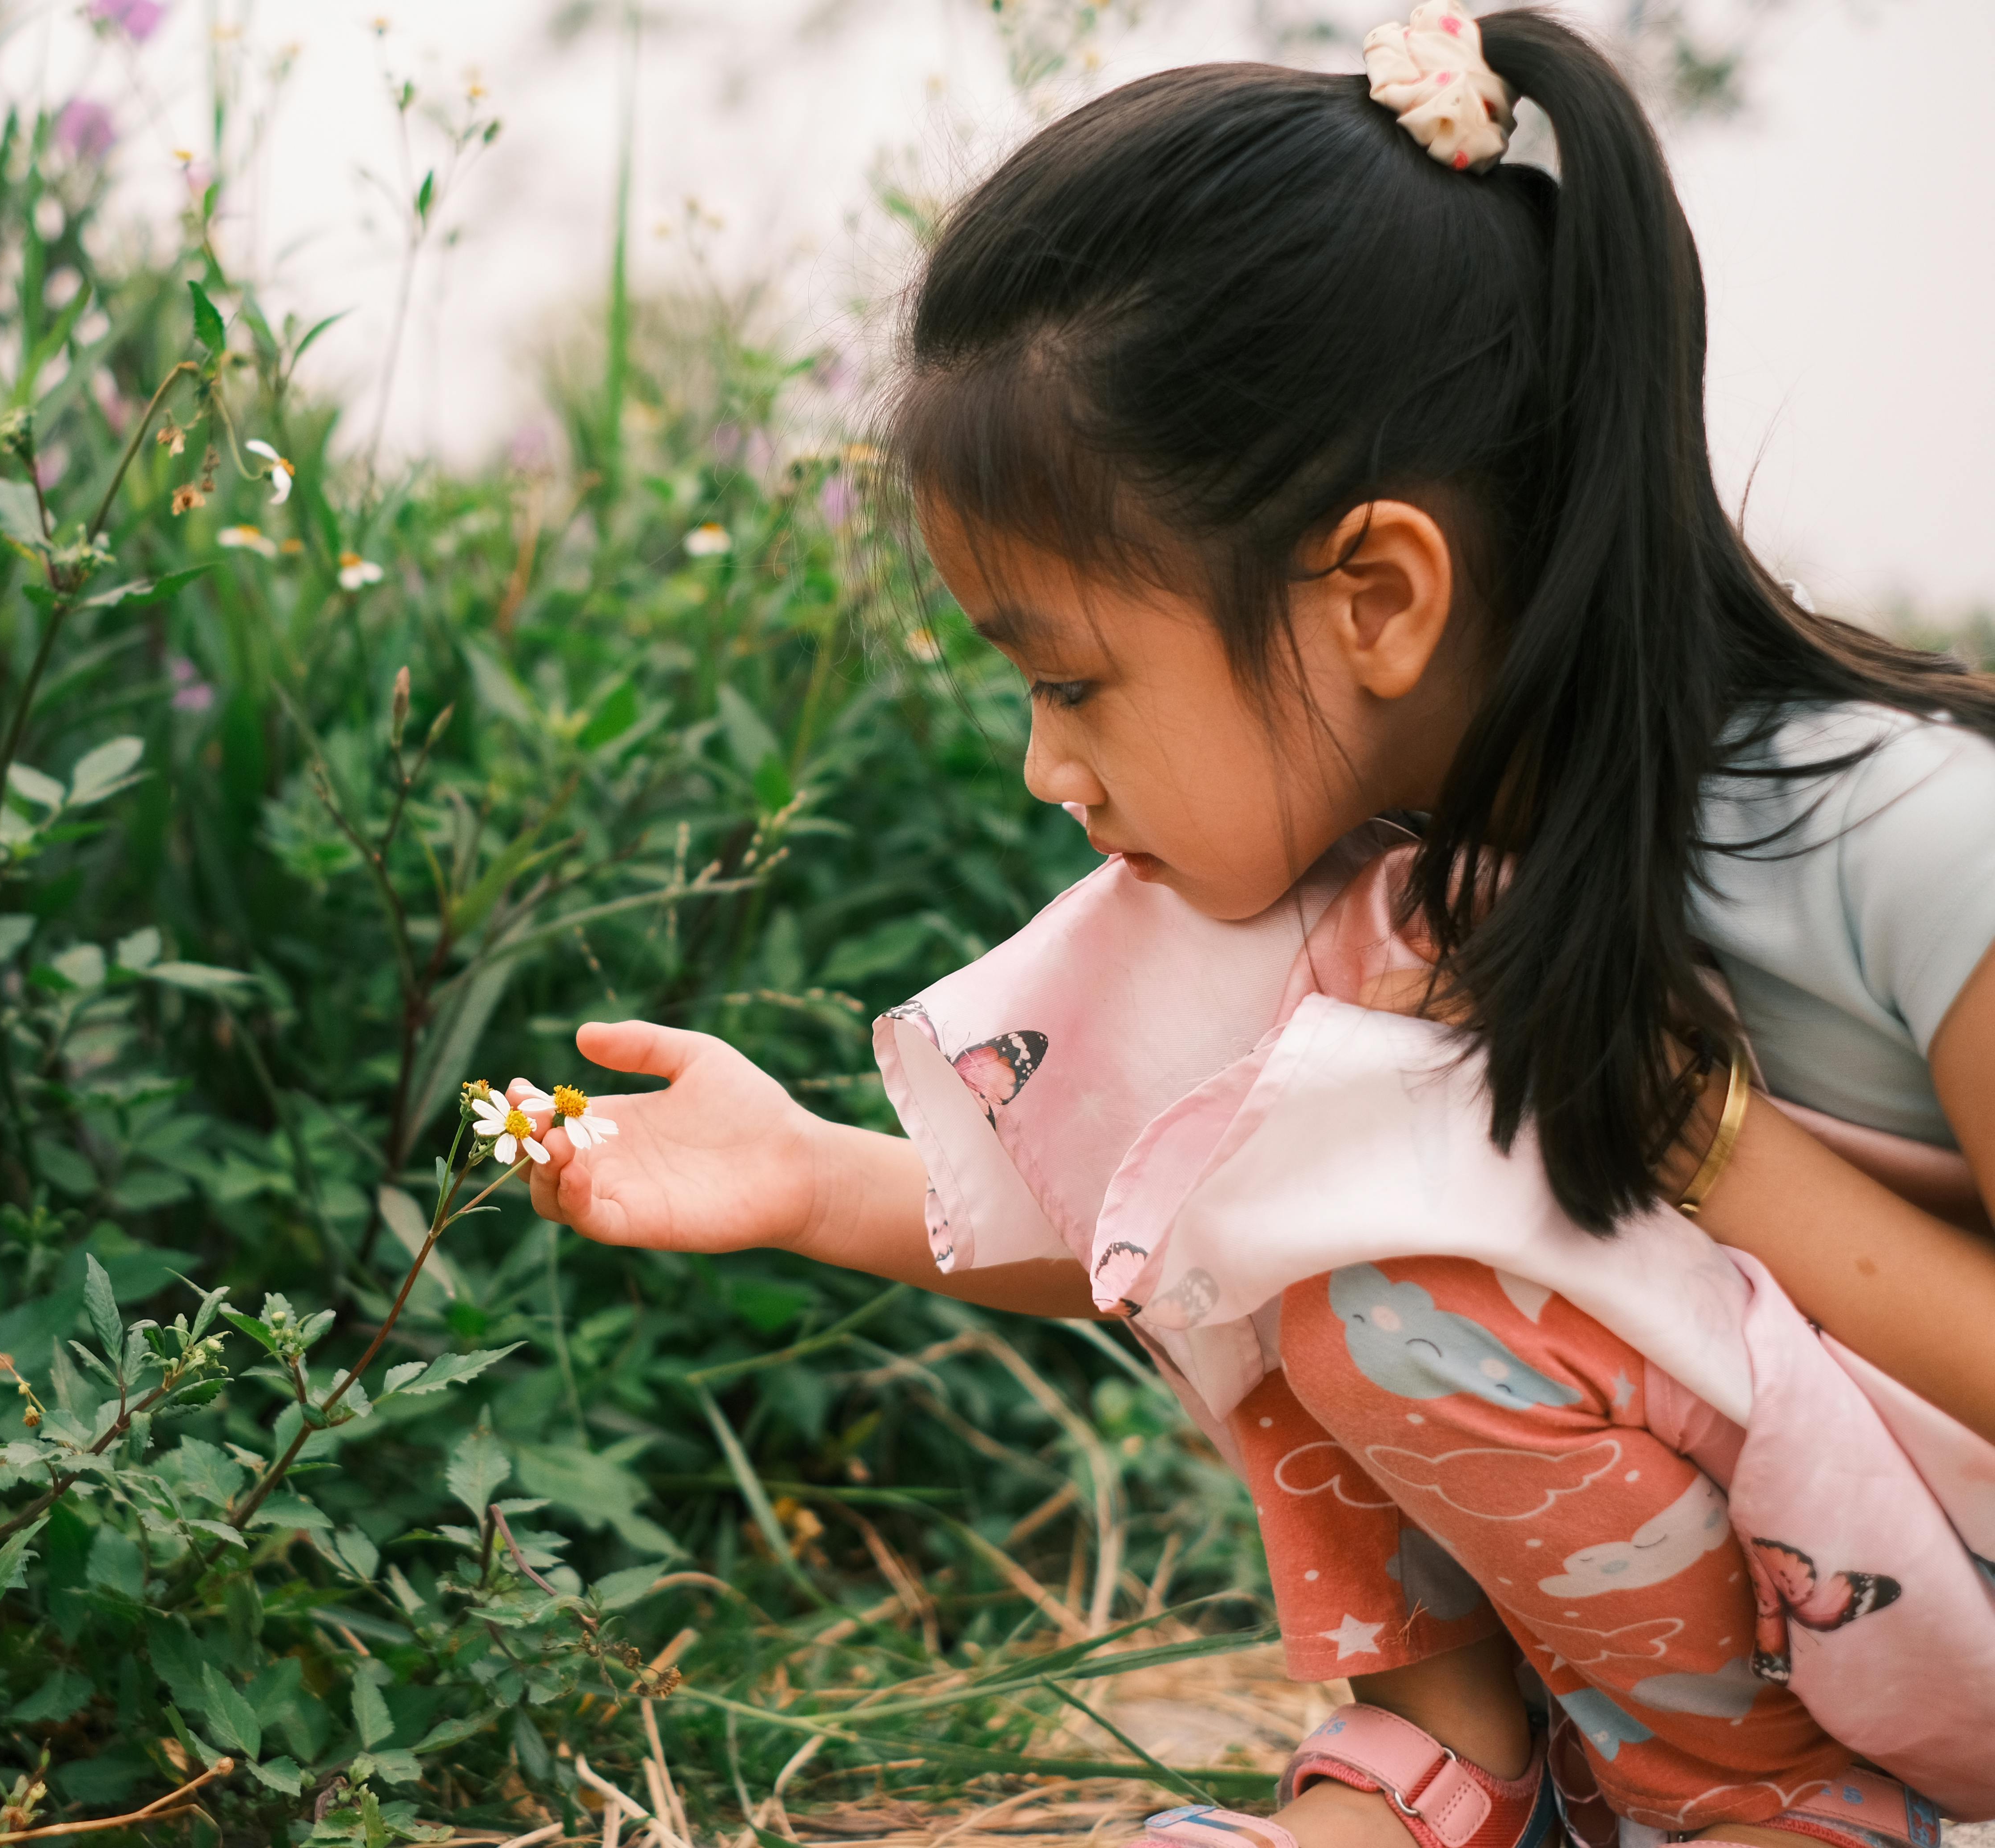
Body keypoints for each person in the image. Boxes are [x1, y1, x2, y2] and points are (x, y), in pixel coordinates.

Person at [519, 4, 1995, 1844]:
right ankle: (1472, 1769)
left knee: (1404, 1277)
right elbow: (1167, 1206)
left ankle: (1765, 1810)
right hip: (1834, 1582)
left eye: (1074, 680)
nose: (1047, 765)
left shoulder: (1912, 846)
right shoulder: (1381, 872)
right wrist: (814, 1176)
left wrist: (1728, 1155)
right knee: (1306, 1194)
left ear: (1374, 593)